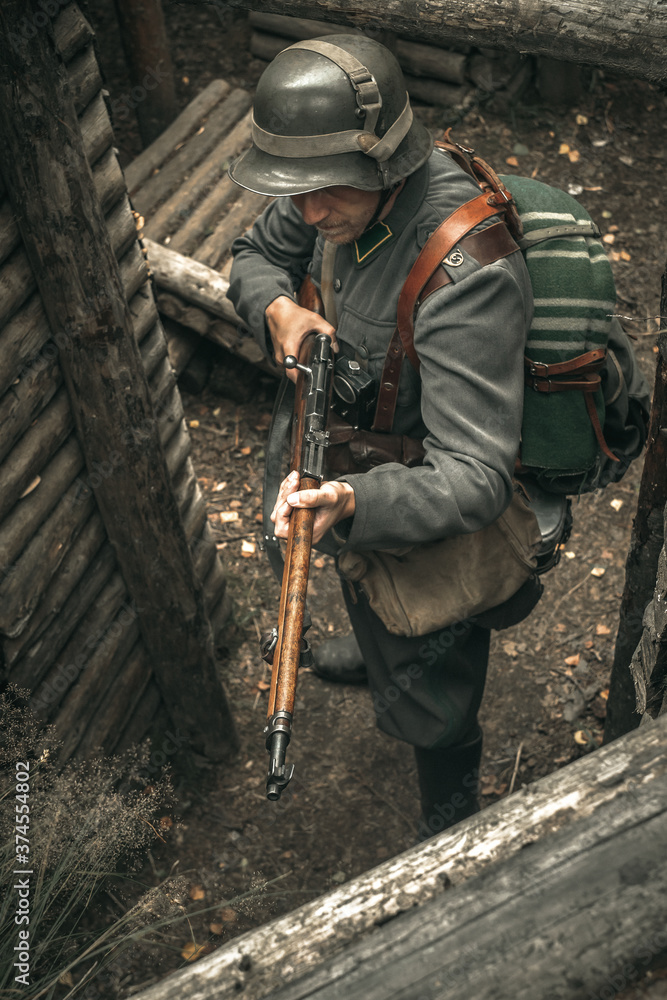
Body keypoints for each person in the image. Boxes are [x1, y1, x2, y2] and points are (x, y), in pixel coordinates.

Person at [227, 34, 534, 835]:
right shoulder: (323, 191)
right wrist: (278, 309)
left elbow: (474, 476)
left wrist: (353, 503)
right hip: (343, 448)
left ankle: (448, 816)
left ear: (383, 163)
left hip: (420, 500)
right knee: (360, 588)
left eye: (324, 191)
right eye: (295, 191)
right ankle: (373, 653)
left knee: (434, 679)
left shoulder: (468, 270)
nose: (306, 213)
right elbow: (254, 254)